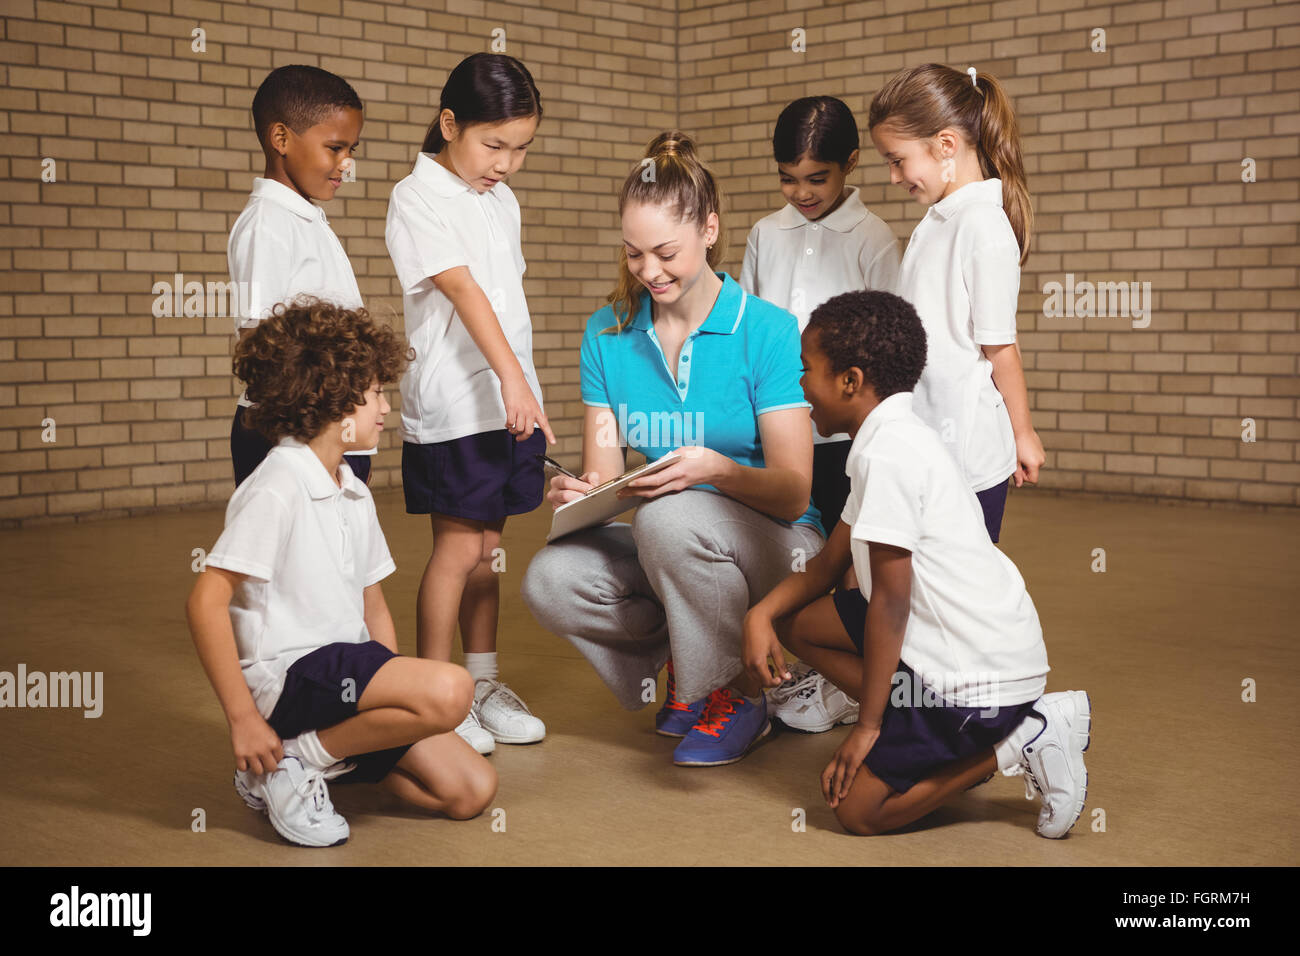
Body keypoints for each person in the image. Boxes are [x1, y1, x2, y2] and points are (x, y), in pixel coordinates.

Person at [521, 131, 824, 768]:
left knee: (669, 516)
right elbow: (606, 467)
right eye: (634, 255)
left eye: (665, 252)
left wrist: (718, 470)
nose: (649, 272)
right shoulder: (605, 334)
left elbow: (795, 489)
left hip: (783, 548)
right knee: (552, 578)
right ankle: (695, 663)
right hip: (675, 545)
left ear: (710, 230)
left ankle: (735, 696)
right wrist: (584, 491)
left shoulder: (766, 330)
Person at [743, 290, 1090, 838]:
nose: (799, 382)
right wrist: (759, 615)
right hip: (968, 649)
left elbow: (891, 602)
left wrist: (867, 727)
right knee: (796, 620)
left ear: (851, 381)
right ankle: (908, 718)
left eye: (806, 370)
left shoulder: (890, 455)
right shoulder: (885, 438)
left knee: (857, 812)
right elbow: (830, 565)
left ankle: (1020, 739)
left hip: (978, 680)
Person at [186, 301, 495, 847]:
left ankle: (321, 757)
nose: (385, 409)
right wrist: (242, 720)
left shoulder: (351, 486)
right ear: (331, 400)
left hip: (344, 677)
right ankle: (287, 759)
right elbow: (205, 602)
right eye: (376, 393)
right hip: (291, 677)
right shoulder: (277, 483)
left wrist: (395, 689)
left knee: (472, 791)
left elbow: (372, 603)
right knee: (451, 690)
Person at [385, 53, 555, 755]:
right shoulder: (416, 196)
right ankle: (436, 693)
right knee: (459, 549)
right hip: (457, 407)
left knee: (489, 551)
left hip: (508, 404)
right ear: (450, 123)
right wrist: (512, 380)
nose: (507, 163)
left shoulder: (500, 201)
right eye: (495, 145)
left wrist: (526, 391)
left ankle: (479, 686)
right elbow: (464, 293)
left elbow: (509, 307)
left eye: (520, 148)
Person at [741, 95, 901, 734]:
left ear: (850, 164)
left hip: (843, 437)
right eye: (787, 179)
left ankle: (836, 678)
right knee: (789, 547)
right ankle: (782, 660)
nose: (801, 192)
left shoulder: (873, 239)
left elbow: (888, 345)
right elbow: (751, 329)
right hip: (781, 432)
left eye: (817, 178)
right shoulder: (764, 234)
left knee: (846, 554)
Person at [868, 64, 1046, 542]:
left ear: (945, 146)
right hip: (926, 441)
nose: (892, 176)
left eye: (898, 160)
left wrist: (1022, 433)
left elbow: (999, 347)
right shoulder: (936, 221)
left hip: (967, 453)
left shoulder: (983, 227)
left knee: (966, 593)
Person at [227, 64, 375, 486]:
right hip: (290, 434)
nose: (346, 164)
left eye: (352, 149)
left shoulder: (306, 218)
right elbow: (259, 344)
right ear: (281, 139)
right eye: (335, 148)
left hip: (331, 429)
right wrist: (308, 440)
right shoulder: (267, 224)